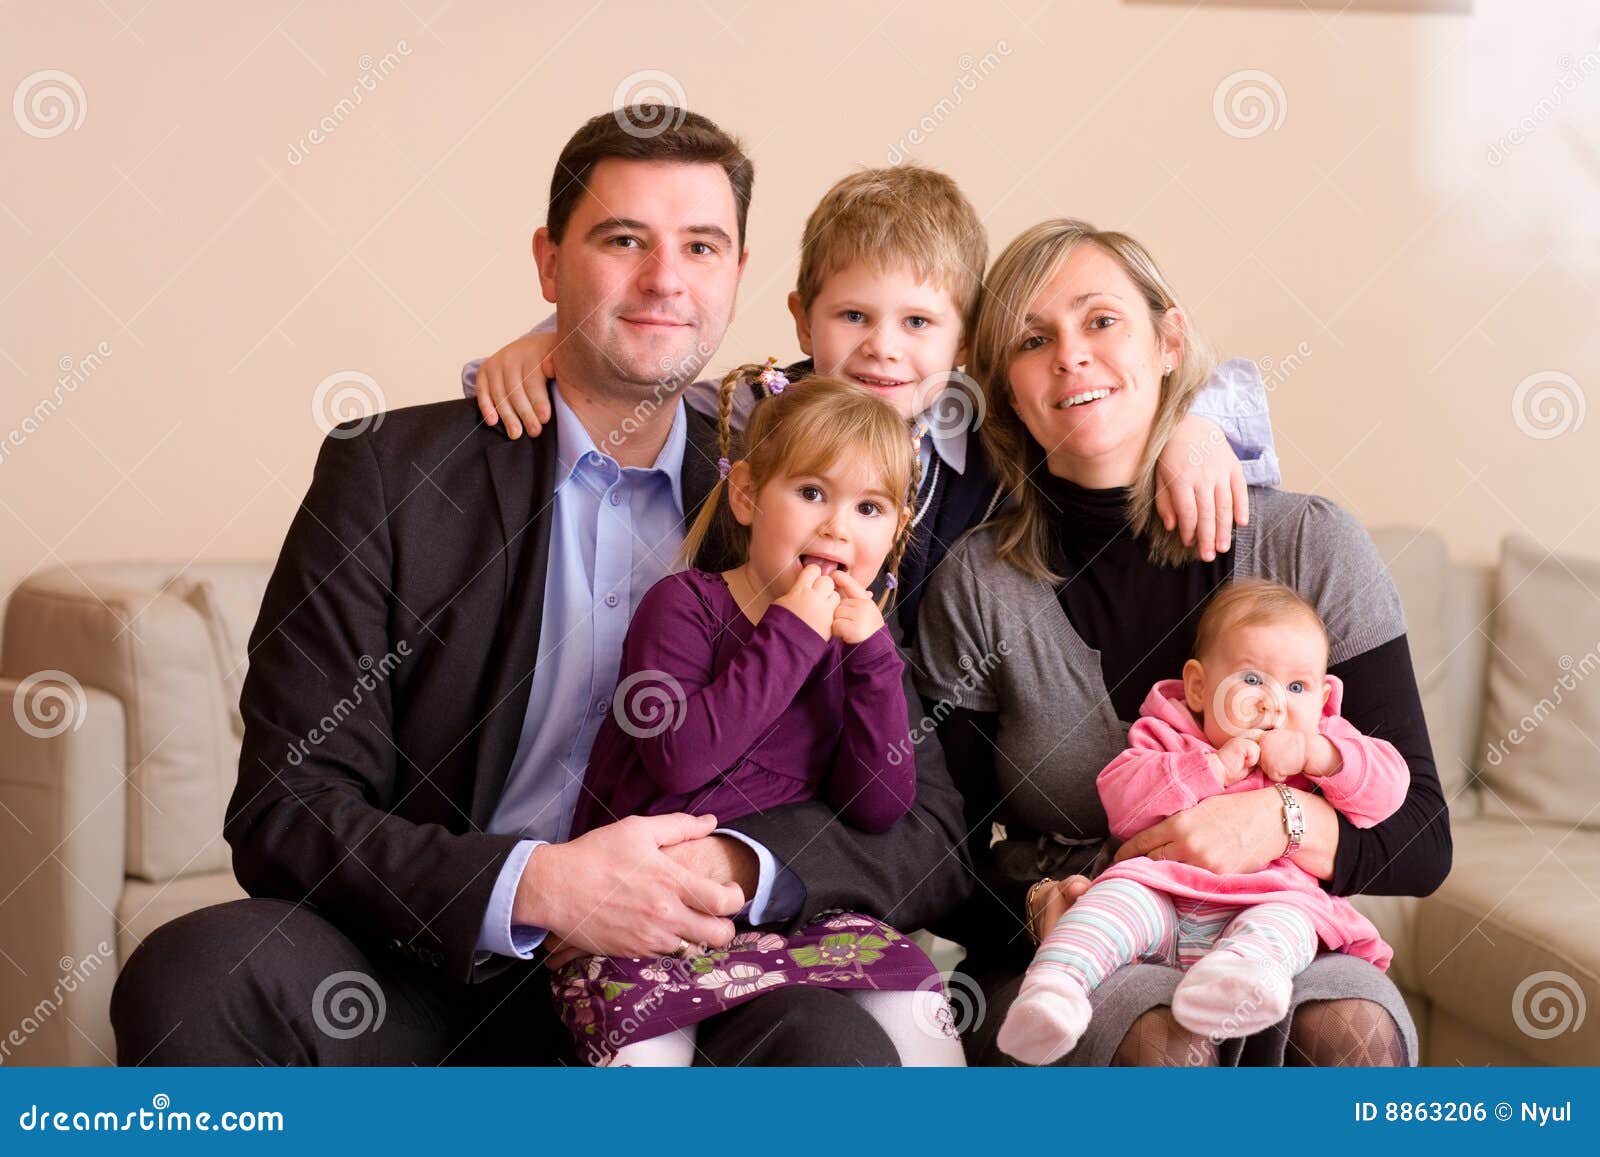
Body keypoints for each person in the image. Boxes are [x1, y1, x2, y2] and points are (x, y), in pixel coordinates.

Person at [109, 106, 970, 1067]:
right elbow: (288, 802)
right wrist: (534, 886)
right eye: (622, 239)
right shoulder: (393, 474)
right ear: (549, 263)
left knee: (833, 1051)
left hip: (699, 974)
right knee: (196, 974)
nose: (665, 278)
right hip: (428, 964)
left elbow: (927, 824)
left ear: (737, 274)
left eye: (701, 245)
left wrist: (736, 866)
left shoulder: (792, 491)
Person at [913, 218, 1452, 1067]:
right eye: (1032, 338)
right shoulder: (978, 584)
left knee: (1349, 1031)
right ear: (1006, 388)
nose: (1070, 356)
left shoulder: (1311, 544)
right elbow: (941, 851)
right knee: (1165, 1045)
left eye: (1101, 321)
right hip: (1083, 943)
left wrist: (1275, 819)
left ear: (1169, 341)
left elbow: (1424, 837)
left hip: (1282, 925)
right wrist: (1041, 899)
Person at [460, 165, 1281, 644]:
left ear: (965, 342)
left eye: (919, 322)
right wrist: (554, 342)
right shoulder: (755, 406)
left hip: (912, 718)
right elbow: (634, 385)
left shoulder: (990, 426)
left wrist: (1198, 421)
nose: (884, 348)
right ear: (801, 319)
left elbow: (1110, 395)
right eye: (853, 317)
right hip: (761, 690)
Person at [558, 372, 966, 1067]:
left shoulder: (860, 643)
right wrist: (793, 635)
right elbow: (682, 759)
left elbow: (878, 805)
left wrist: (870, 661)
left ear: (896, 529)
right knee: (644, 1057)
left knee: (919, 1007)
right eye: (812, 494)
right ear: (747, 496)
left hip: (789, 920)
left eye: (869, 508)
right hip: (651, 911)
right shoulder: (683, 605)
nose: (837, 525)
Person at [997, 580, 1408, 1065]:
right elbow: (1123, 804)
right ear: (1197, 686)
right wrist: (1209, 769)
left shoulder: (1321, 745)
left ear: (1321, 700)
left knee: (1290, 924)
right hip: (1161, 900)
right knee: (1106, 903)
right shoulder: (1169, 737)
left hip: (1269, 899)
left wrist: (1320, 754)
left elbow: (1391, 791)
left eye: (1297, 687)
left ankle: (1238, 982)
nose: (1272, 702)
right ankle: (1053, 993)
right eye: (1252, 679)